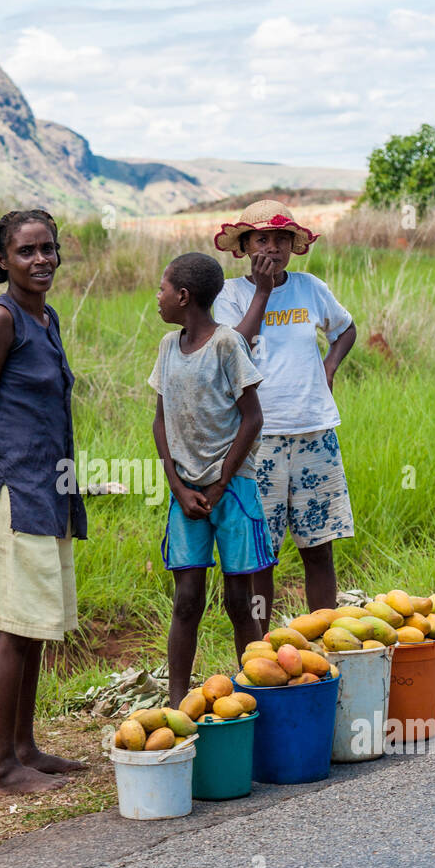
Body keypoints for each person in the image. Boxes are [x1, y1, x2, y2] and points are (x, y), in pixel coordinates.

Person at [0, 209, 87, 794]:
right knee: (10, 628)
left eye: (49, 248)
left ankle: (26, 747)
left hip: (49, 490)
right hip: (11, 492)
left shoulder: (46, 316)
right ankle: (1, 768)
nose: (41, 260)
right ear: (1, 260)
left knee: (33, 625)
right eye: (27, 251)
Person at [213, 200, 356, 629]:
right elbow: (234, 349)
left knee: (319, 548)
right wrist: (262, 290)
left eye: (280, 239)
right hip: (259, 440)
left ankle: (325, 640)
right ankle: (262, 651)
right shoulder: (230, 295)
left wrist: (328, 366)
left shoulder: (310, 287)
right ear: (244, 247)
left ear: (293, 245)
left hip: (314, 431)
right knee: (261, 555)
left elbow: (345, 328)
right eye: (262, 239)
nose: (271, 248)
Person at [150, 252, 276, 707]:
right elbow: (159, 421)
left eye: (162, 288)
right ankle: (176, 702)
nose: (158, 297)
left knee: (239, 601)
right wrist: (178, 487)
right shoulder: (168, 348)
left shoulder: (226, 345)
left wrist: (220, 484)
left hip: (232, 492)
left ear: (183, 297)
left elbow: (252, 418)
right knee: (187, 601)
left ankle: (255, 692)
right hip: (186, 496)